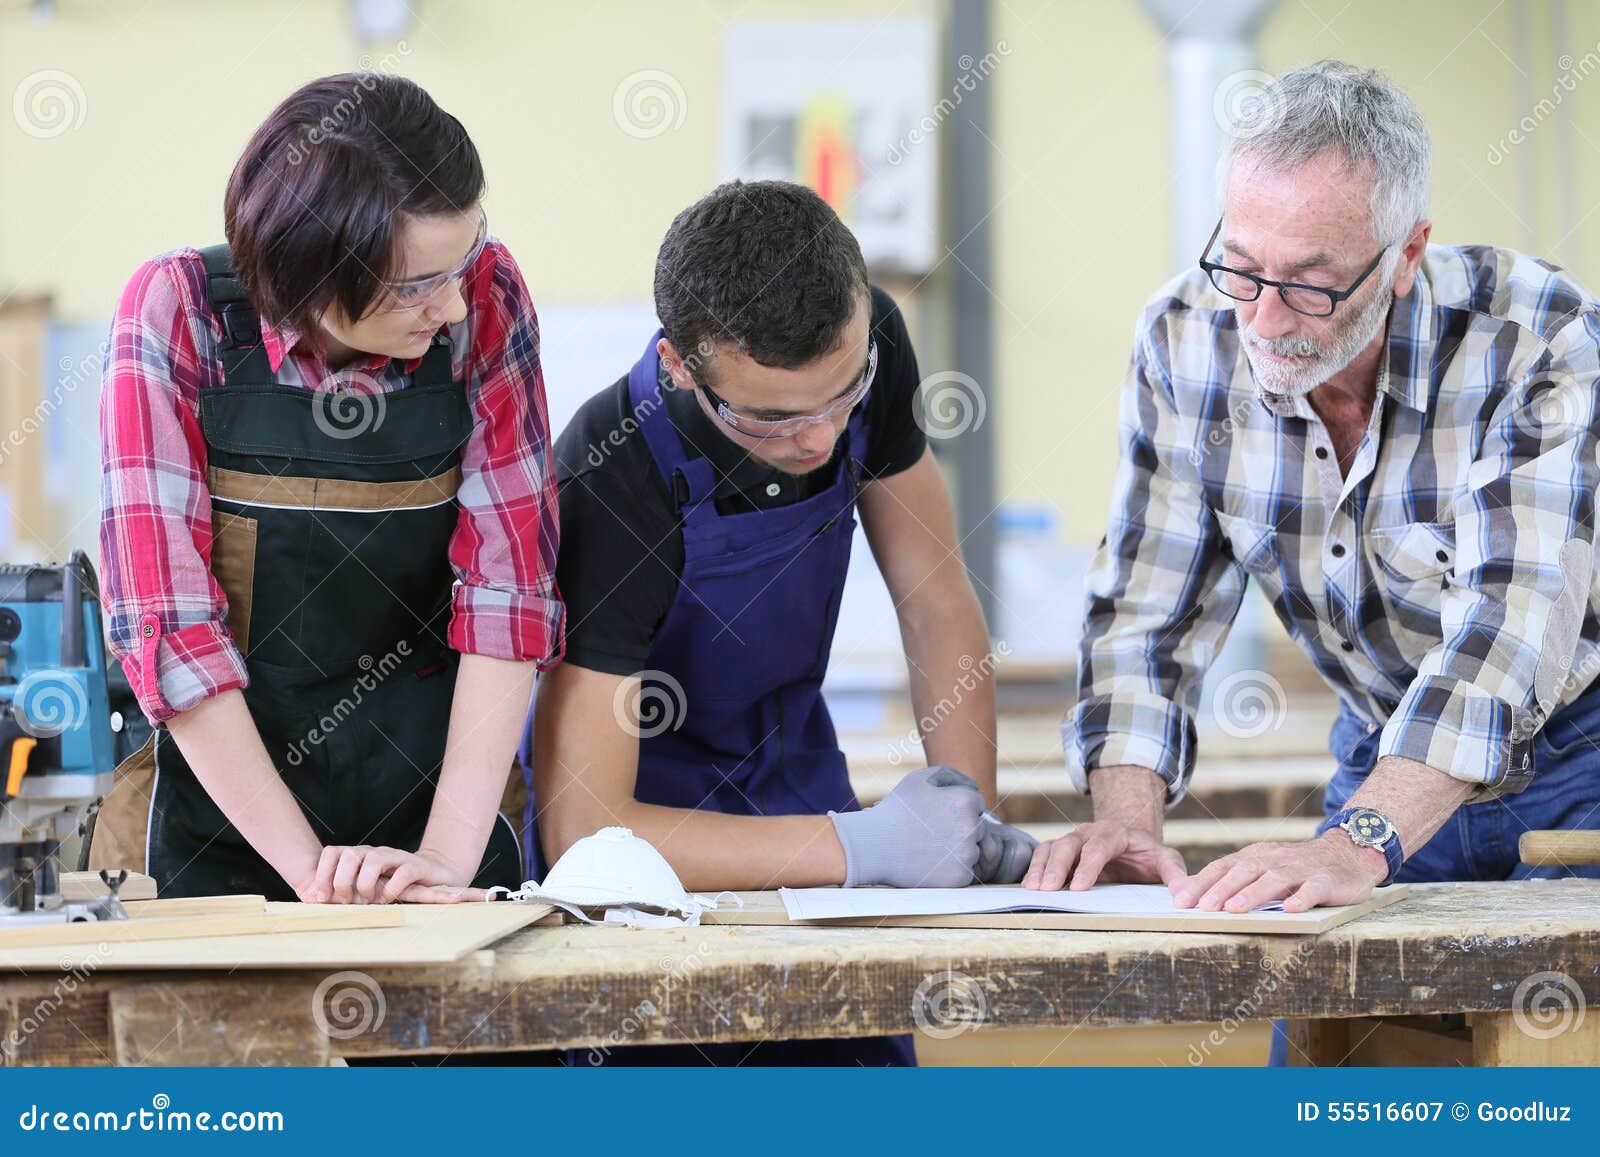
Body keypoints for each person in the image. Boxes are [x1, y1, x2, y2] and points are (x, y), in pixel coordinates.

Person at [1029, 60, 1600, 917]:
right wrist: (1126, 820)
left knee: (1562, 1001)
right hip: (1381, 750)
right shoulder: (1185, 341)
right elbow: (1145, 614)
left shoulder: (1535, 338)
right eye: (1241, 268)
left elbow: (1507, 631)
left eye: (1307, 285)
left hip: (1575, 761)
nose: (1263, 320)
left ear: (1406, 254)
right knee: (1326, 996)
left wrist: (1353, 843)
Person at [530, 179, 1033, 1065]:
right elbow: (587, 831)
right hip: (652, 869)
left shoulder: (866, 343)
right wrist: (864, 843)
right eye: (771, 416)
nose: (820, 438)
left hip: (804, 794)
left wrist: (967, 823)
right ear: (680, 364)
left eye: (843, 396)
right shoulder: (610, 474)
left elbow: (933, 599)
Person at [92, 74, 563, 905]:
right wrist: (315, 876)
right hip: (223, 823)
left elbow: (509, 594)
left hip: (443, 806)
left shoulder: (487, 295)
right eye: (415, 285)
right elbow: (173, 632)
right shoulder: (179, 314)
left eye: (461, 261)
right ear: (309, 271)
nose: (453, 306)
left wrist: (445, 858)